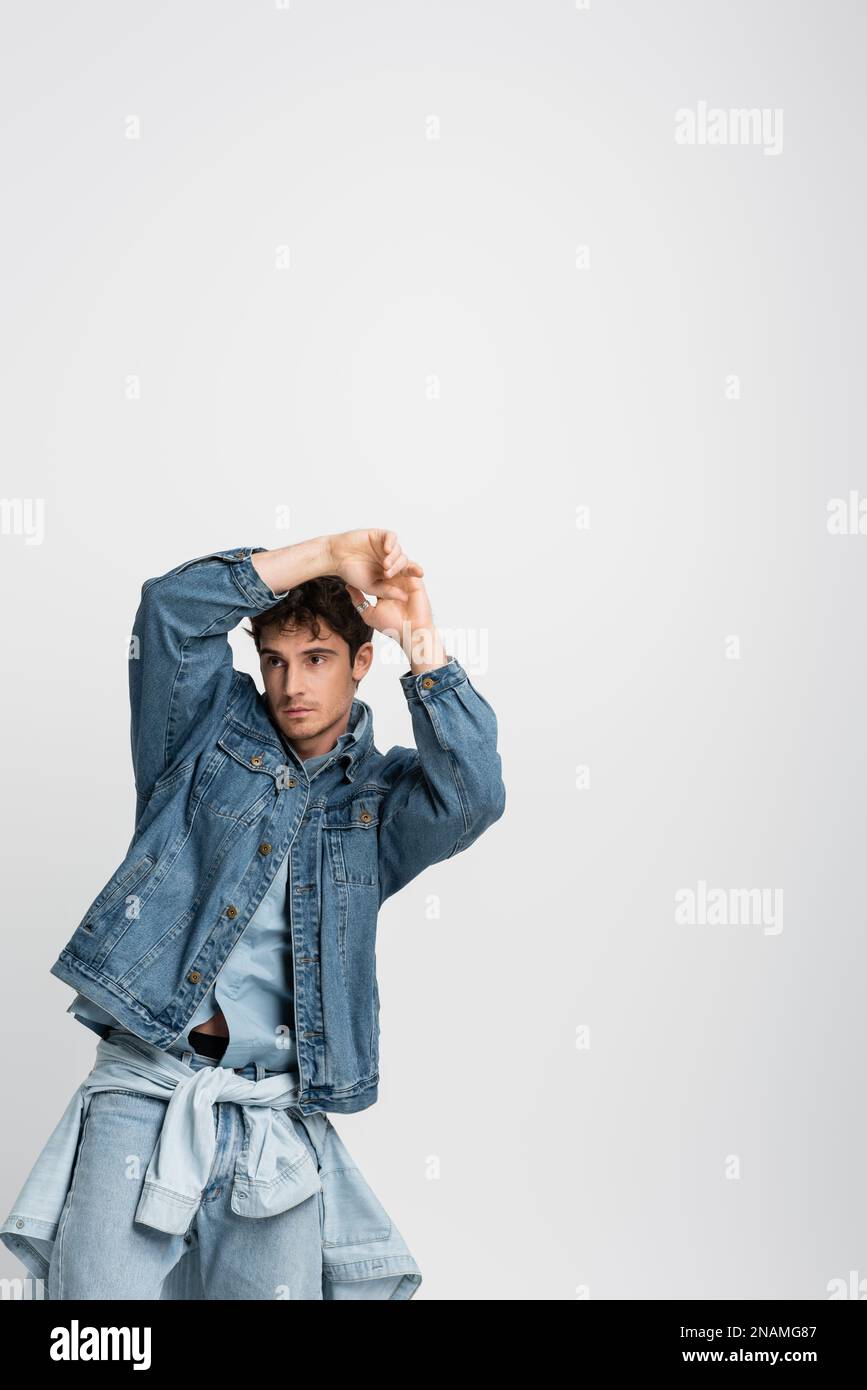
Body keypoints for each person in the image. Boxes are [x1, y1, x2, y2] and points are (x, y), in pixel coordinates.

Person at [2, 528, 506, 1299]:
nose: (289, 684)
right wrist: (332, 555)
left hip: (275, 1116)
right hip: (146, 1091)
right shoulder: (202, 736)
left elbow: (474, 794)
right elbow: (168, 610)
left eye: (316, 659)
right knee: (99, 1334)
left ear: (359, 661)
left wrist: (420, 639)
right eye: (273, 660)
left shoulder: (379, 803)